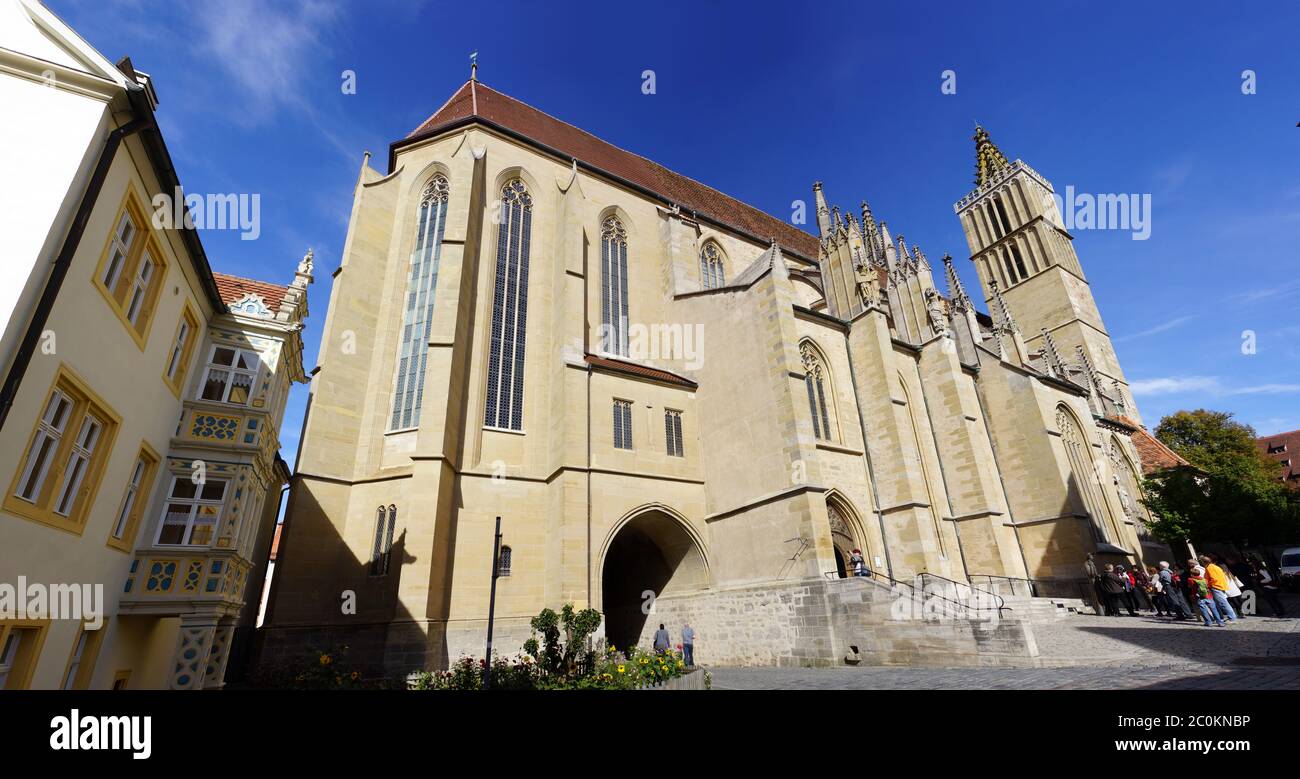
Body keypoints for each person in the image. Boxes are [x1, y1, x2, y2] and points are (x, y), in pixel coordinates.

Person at [1199, 555, 1238, 622]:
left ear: (1203, 562)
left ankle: (1232, 617)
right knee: (1223, 602)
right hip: (1220, 585)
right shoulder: (1214, 566)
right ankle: (1232, 617)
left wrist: (1208, 585)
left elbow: (1214, 579)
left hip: (1216, 586)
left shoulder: (1210, 568)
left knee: (1223, 603)